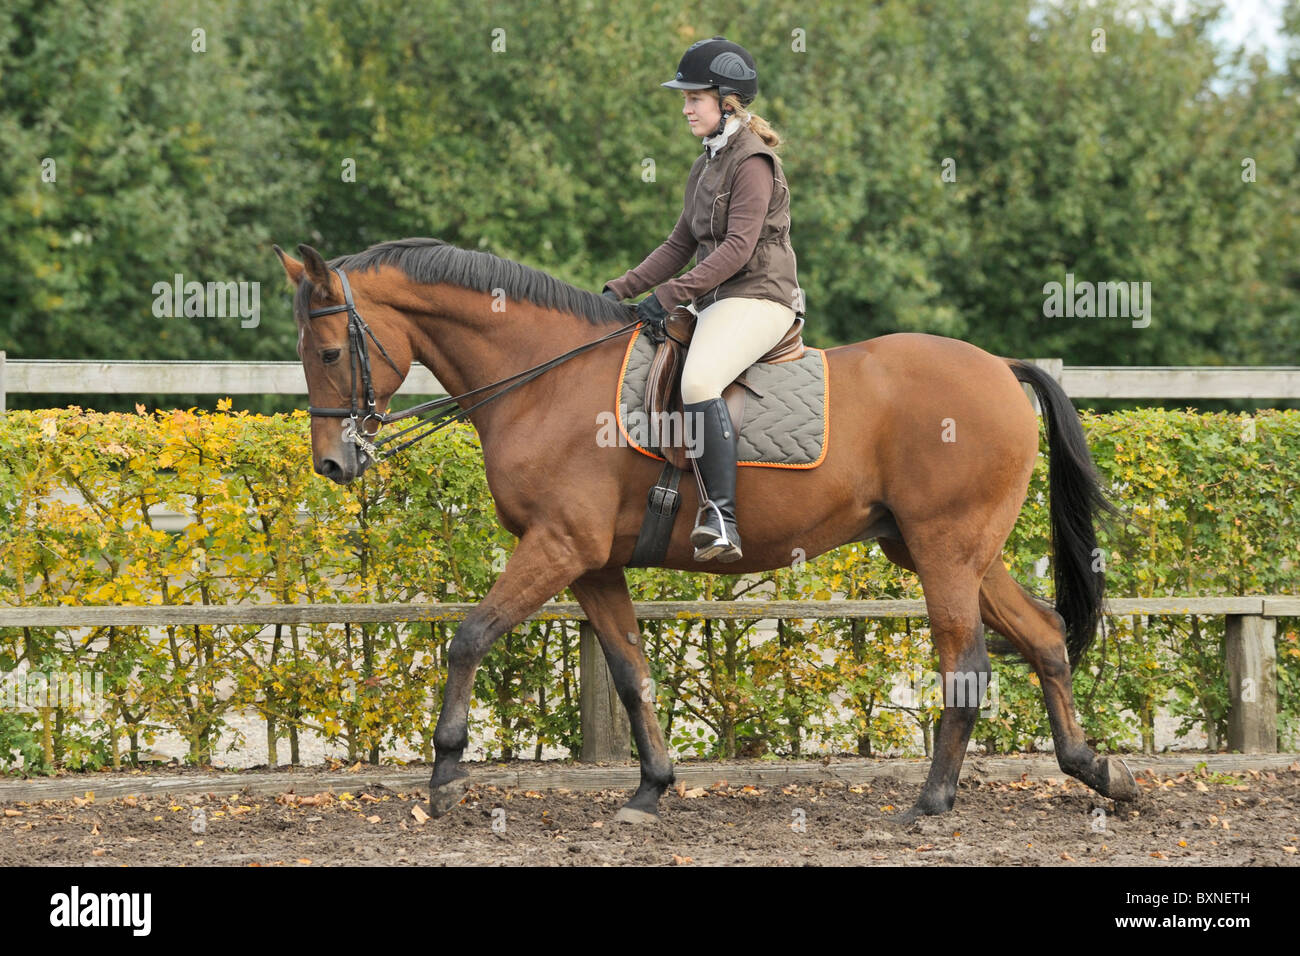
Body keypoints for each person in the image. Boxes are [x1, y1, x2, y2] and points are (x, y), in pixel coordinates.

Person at [602, 36, 804, 562]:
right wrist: (618, 290)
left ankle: (721, 515)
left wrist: (668, 296)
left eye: (695, 98)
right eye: (685, 98)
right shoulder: (706, 164)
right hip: (715, 299)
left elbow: (738, 249)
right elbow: (678, 245)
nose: (686, 107)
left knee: (698, 379)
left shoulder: (752, 162)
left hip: (760, 296)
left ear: (727, 102)